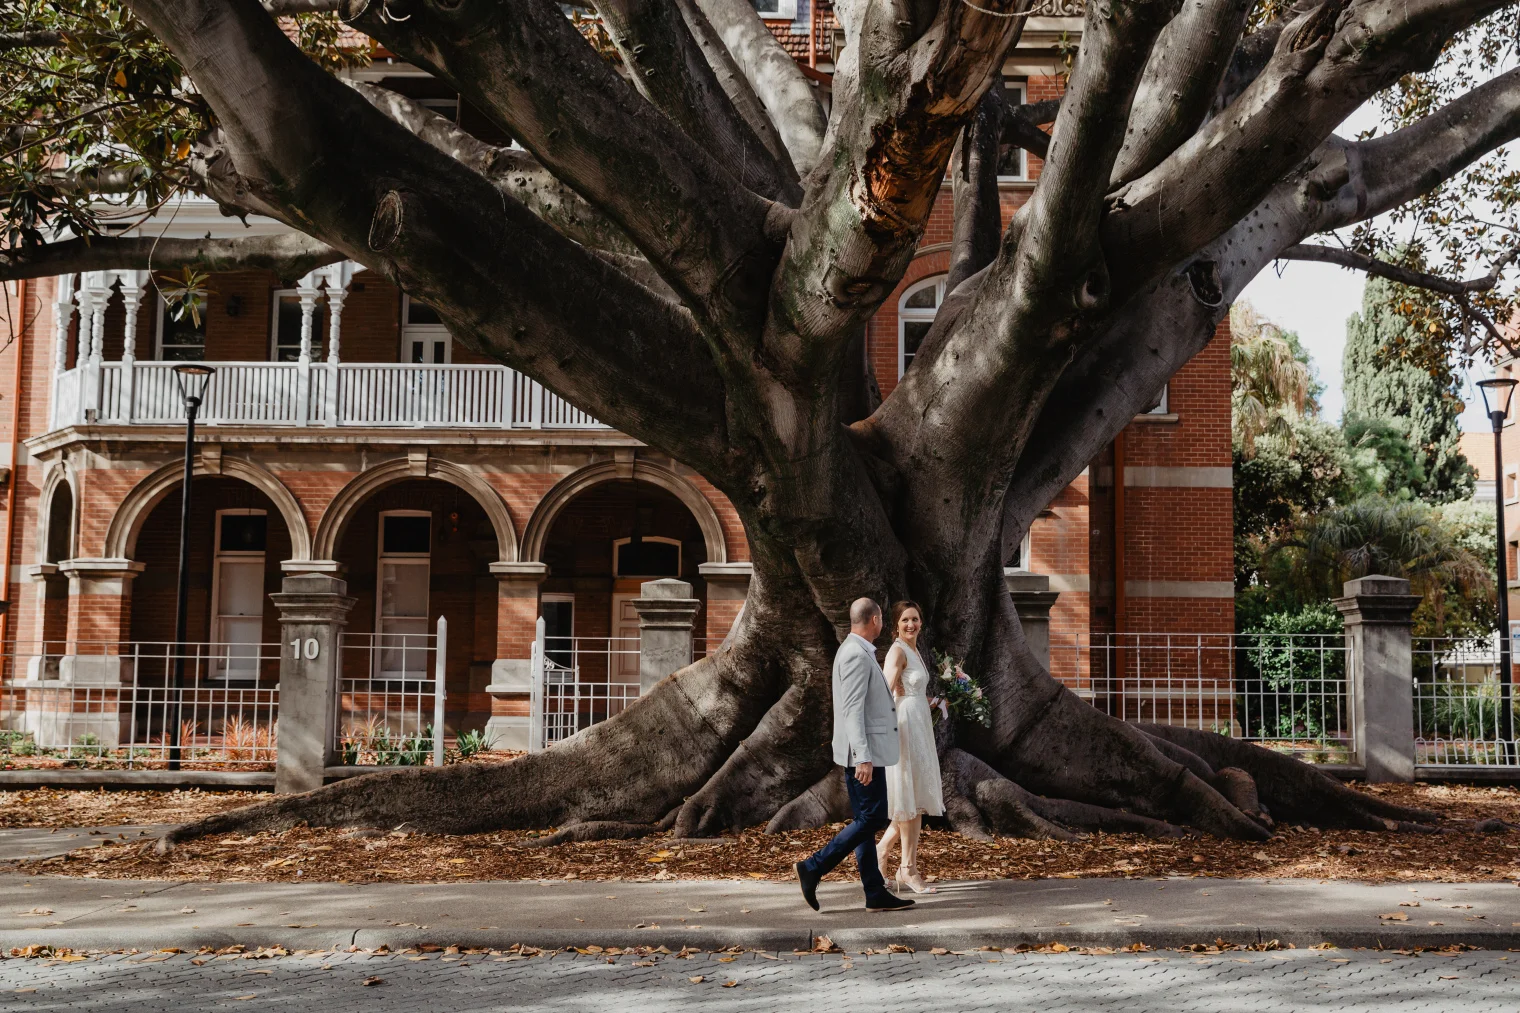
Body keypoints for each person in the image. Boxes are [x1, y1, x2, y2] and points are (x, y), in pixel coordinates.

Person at [795, 597, 915, 913]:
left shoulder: (857, 651)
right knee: (873, 817)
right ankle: (813, 866)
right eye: (882, 619)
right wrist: (863, 757)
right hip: (863, 756)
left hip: (865, 753)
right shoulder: (854, 655)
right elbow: (852, 711)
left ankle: (874, 892)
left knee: (866, 820)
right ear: (875, 620)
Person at [875, 600, 945, 894]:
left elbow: (912, 692)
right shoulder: (898, 651)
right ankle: (908, 869)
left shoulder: (915, 650)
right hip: (904, 730)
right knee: (909, 798)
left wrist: (934, 701)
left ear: (921, 622)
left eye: (915, 619)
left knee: (913, 798)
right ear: (896, 624)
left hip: (919, 727)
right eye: (905, 620)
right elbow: (883, 691)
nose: (910, 624)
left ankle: (881, 852)